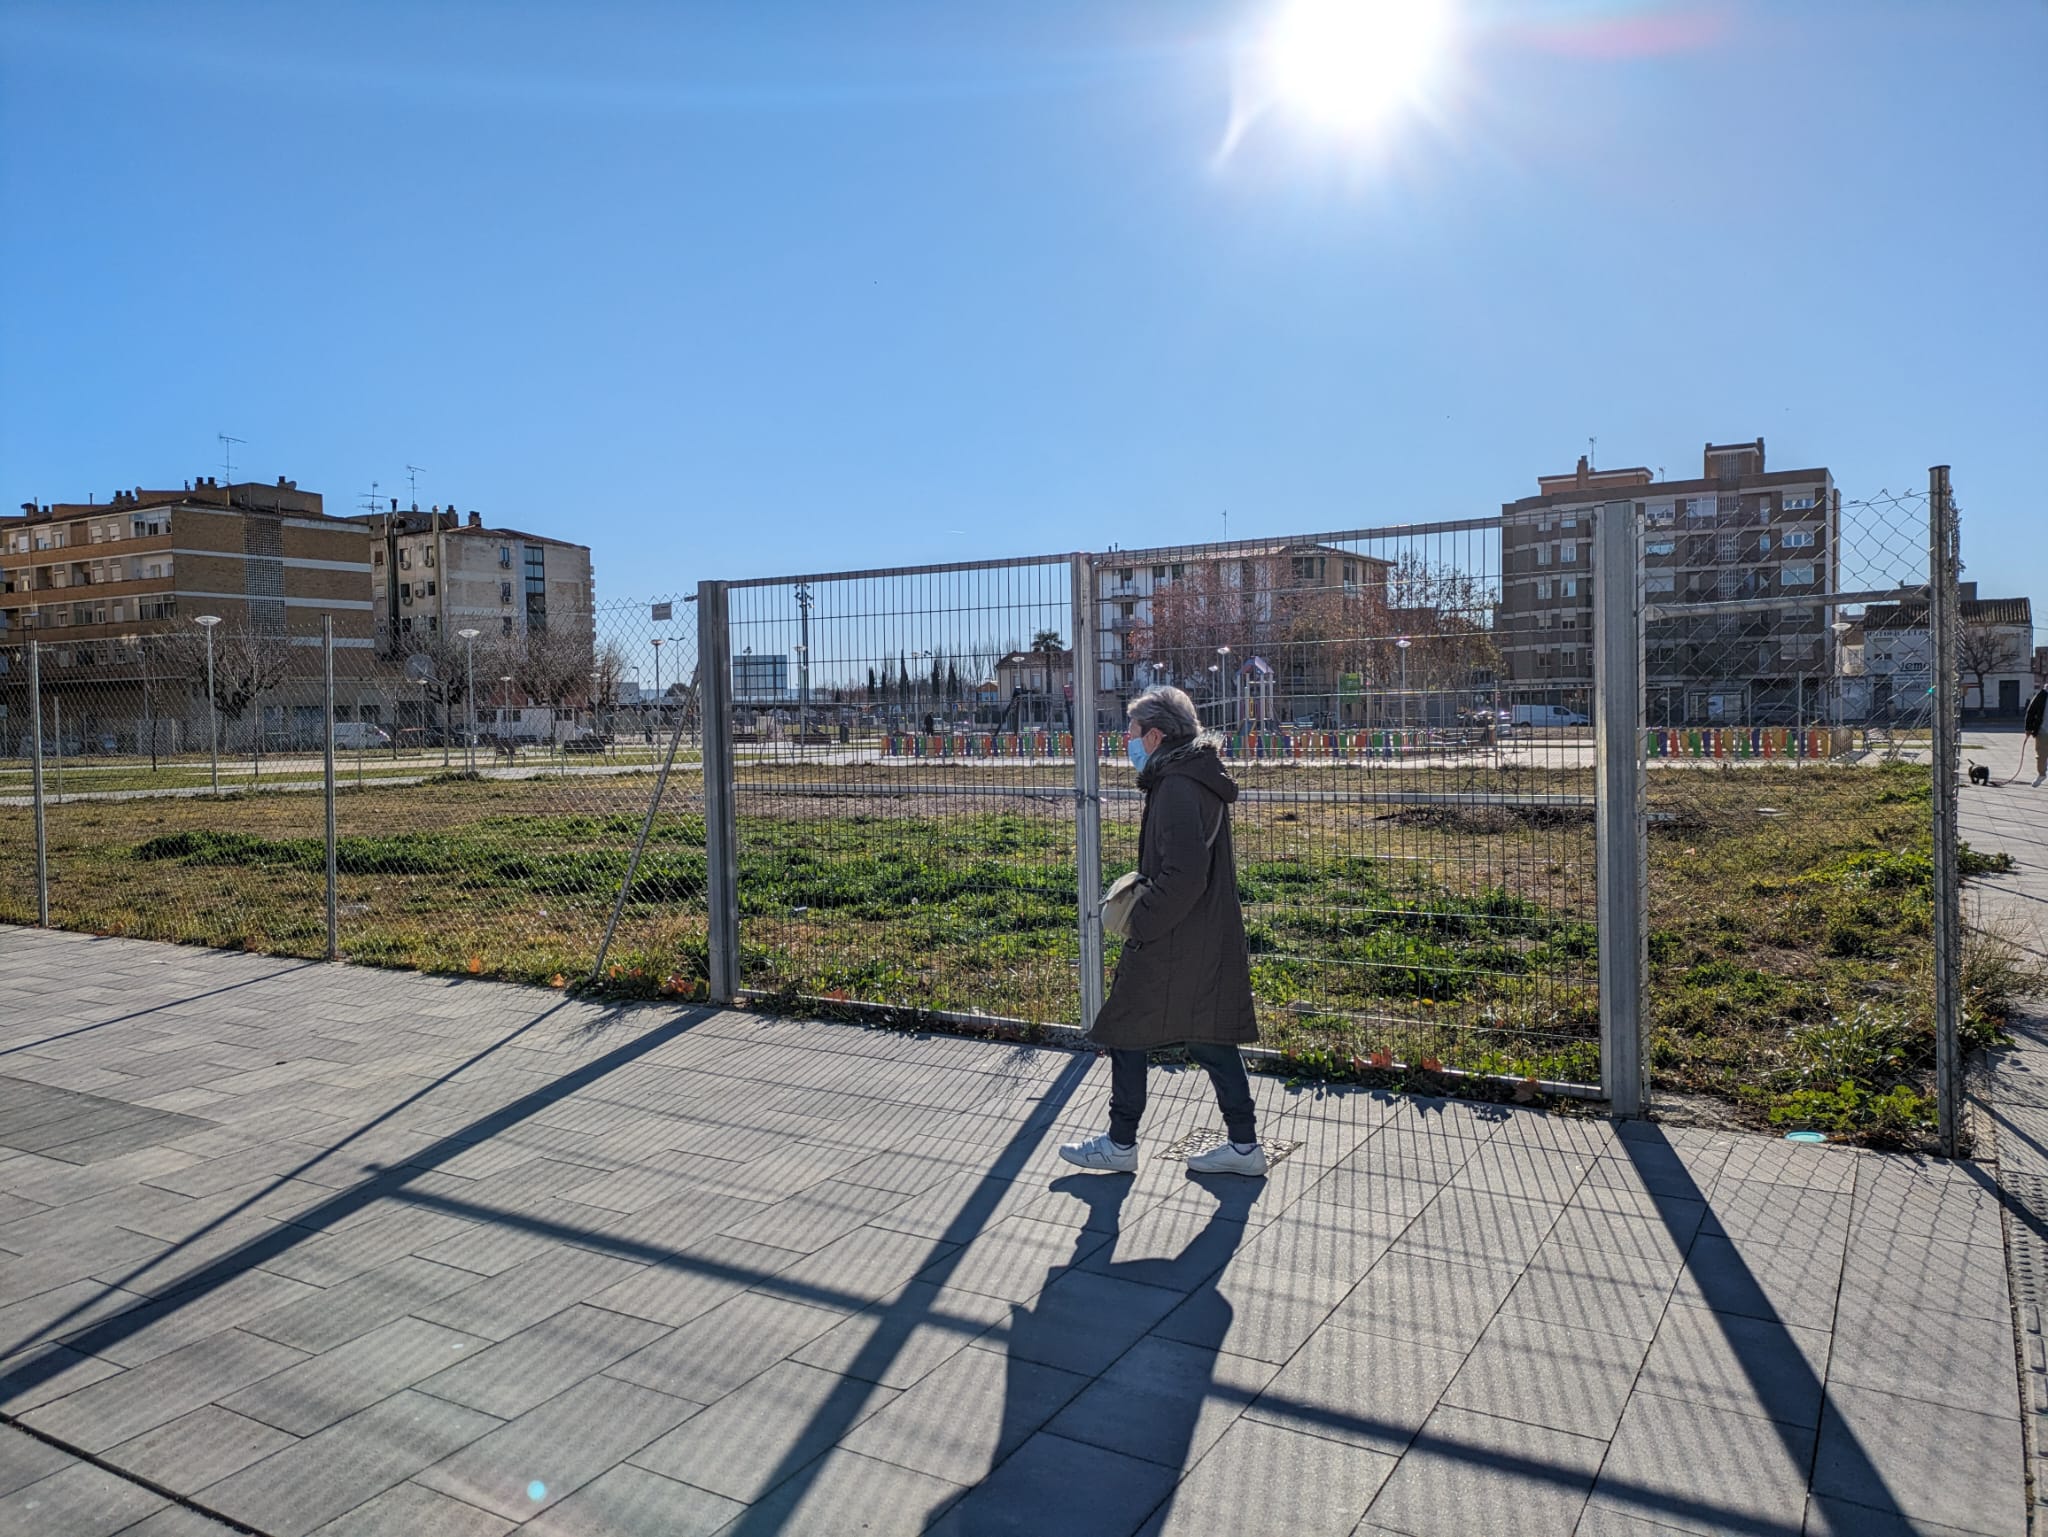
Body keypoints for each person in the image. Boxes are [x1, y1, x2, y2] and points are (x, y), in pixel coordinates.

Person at [1061, 685, 1266, 1177]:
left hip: (1173, 934)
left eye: (1130, 733)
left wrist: (1142, 919)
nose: (1125, 742)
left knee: (1127, 1027)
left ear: (1154, 735)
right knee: (1209, 1036)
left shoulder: (1175, 786)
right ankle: (1243, 1146)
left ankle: (1120, 1142)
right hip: (1202, 931)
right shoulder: (1194, 776)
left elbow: (1185, 874)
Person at [2027, 683, 2048, 787]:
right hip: (2043, 731)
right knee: (2041, 756)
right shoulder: (2042, 695)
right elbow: (2031, 712)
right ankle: (2042, 774)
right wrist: (2028, 728)